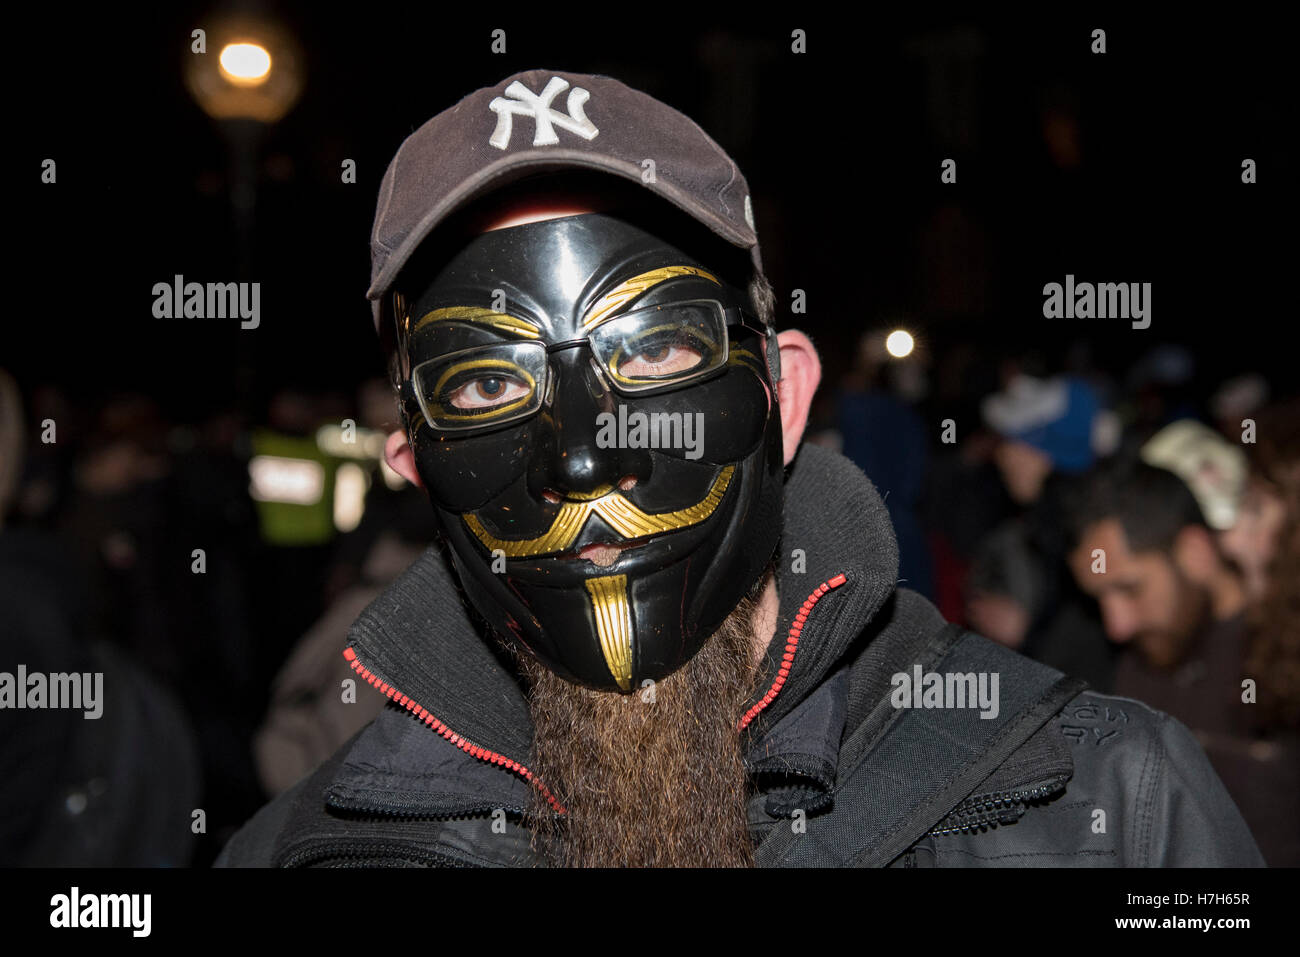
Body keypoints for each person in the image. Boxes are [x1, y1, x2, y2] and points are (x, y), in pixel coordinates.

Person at [216, 70, 1260, 867]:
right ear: (410, 460)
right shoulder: (303, 855)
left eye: (656, 348)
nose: (583, 454)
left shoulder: (1103, 807)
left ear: (784, 394)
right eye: (485, 385)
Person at [1064, 443, 1290, 862]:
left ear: (1196, 552)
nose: (1116, 625)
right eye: (1098, 599)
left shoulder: (1282, 664)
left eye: (1130, 589)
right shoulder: (1137, 666)